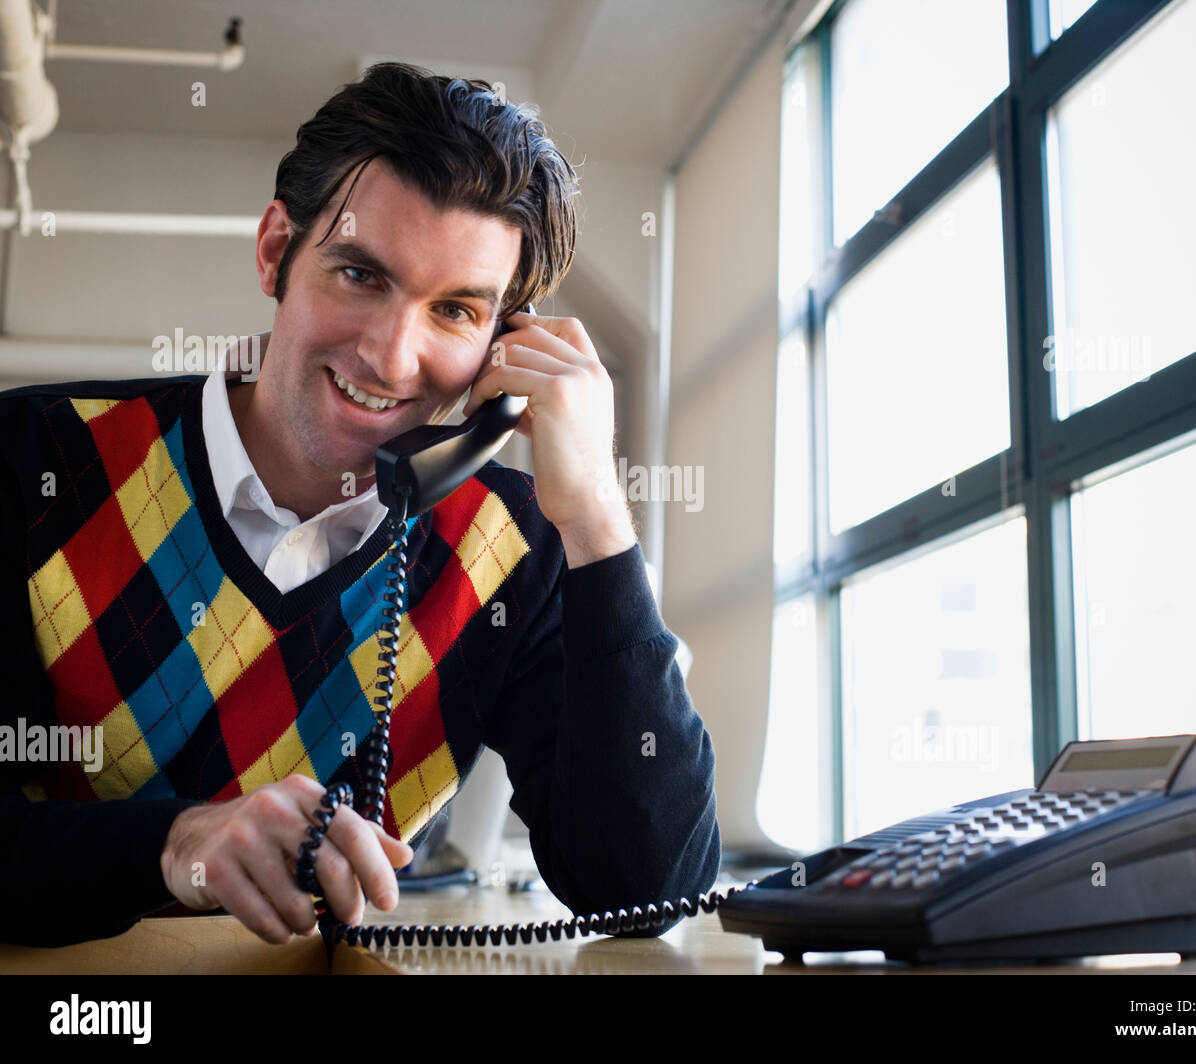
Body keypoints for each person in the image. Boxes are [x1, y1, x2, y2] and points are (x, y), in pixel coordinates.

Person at [0, 63, 720, 948]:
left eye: (454, 311)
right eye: (359, 274)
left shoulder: (515, 549)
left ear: (505, 346)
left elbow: (644, 886)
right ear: (276, 252)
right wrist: (176, 841)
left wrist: (599, 519)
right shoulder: (37, 457)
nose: (390, 356)